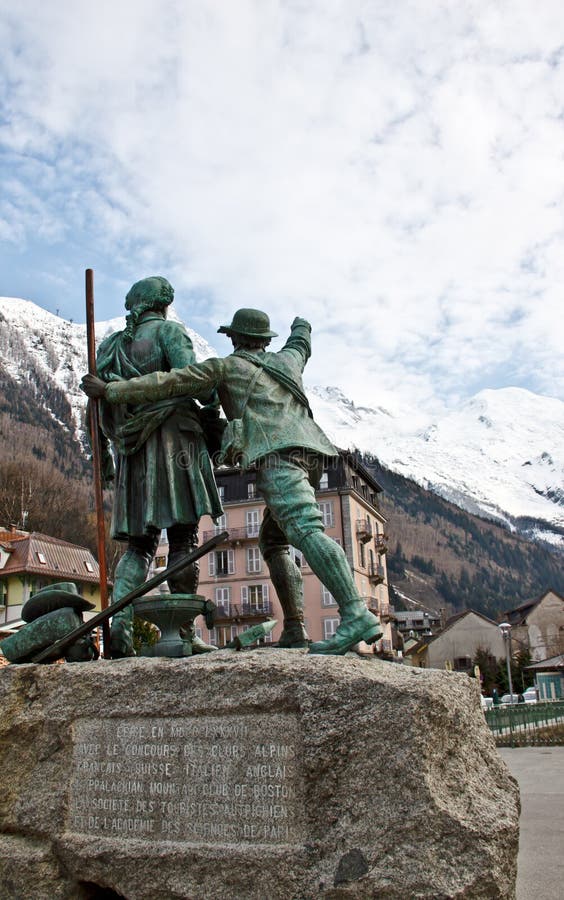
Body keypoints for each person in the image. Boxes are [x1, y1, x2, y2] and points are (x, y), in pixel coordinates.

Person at [82, 308, 381, 655]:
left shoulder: (224, 368)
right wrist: (302, 323)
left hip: (277, 454)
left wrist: (112, 390)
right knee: (273, 541)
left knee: (306, 531)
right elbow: (301, 344)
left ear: (235, 338)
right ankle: (296, 627)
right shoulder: (288, 360)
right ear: (265, 340)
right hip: (313, 455)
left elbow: (168, 382)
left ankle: (355, 613)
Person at [94, 276, 223, 658]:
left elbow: (99, 408)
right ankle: (184, 633)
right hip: (175, 441)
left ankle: (121, 628)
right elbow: (194, 383)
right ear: (163, 305)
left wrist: (104, 455)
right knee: (183, 537)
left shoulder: (111, 347)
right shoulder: (170, 333)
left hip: (133, 452)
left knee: (139, 544)